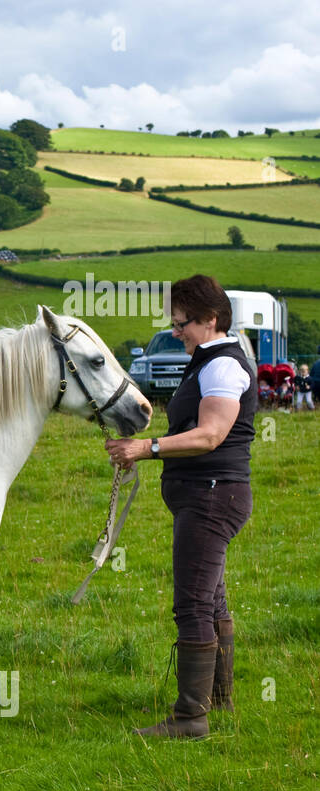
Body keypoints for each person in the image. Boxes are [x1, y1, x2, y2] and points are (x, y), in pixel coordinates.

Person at [105, 275, 255, 738]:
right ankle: (218, 700)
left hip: (212, 495)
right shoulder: (206, 359)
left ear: (210, 320)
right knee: (210, 598)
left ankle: (191, 718)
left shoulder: (223, 368)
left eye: (182, 323)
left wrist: (146, 448)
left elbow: (211, 435)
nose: (176, 331)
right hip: (207, 493)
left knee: (192, 603)